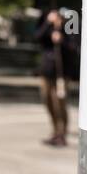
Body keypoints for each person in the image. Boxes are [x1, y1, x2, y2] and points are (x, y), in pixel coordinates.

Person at [35, 9, 73, 146]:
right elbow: (38, 37)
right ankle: (55, 130)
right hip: (47, 72)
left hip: (61, 74)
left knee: (60, 103)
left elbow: (74, 48)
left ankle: (62, 133)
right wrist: (47, 23)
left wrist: (61, 40)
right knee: (47, 101)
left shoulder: (69, 30)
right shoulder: (48, 29)